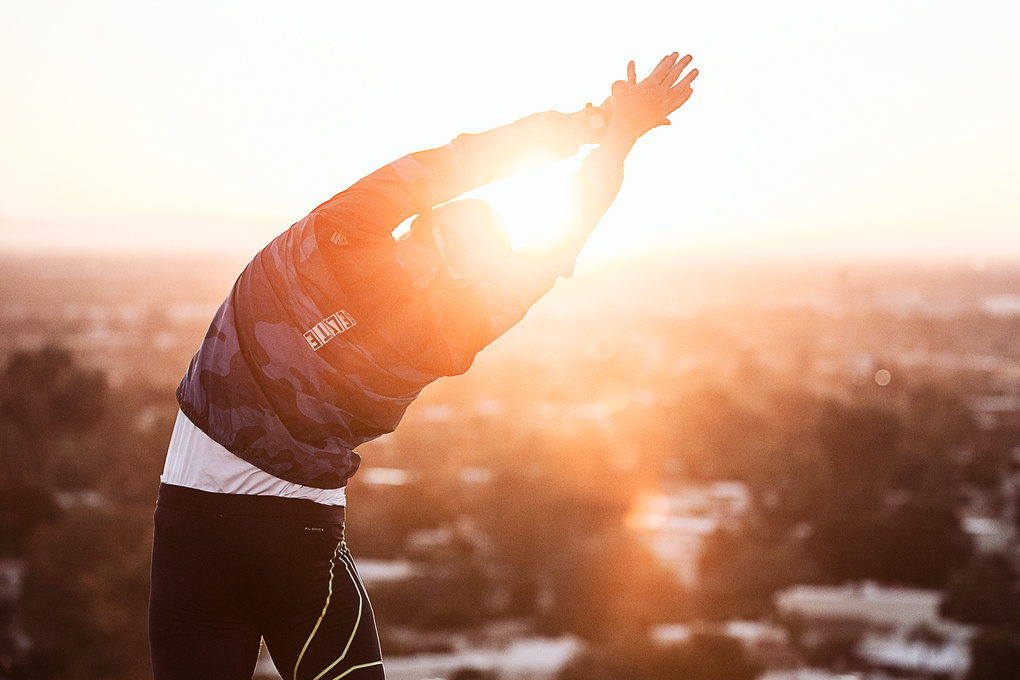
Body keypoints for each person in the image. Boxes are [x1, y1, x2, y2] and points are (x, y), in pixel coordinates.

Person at [149, 53, 698, 680]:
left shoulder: (369, 268)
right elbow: (507, 201)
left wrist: (605, 130)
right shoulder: (405, 292)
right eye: (455, 251)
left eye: (459, 265)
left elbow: (501, 202)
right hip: (252, 536)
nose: (441, 269)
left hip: (238, 534)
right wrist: (609, 132)